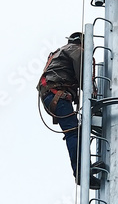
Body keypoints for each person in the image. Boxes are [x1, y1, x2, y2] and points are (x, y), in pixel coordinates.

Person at [38, 34, 101, 187]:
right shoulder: (75, 50)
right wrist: (94, 96)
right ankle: (81, 172)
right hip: (57, 96)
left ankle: (83, 167)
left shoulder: (61, 51)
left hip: (53, 96)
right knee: (74, 133)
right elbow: (83, 77)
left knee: (75, 132)